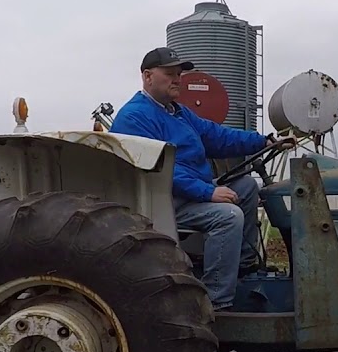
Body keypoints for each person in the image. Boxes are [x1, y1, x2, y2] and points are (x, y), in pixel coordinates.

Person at [109, 46, 294, 311]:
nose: (177, 79)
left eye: (180, 74)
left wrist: (265, 141)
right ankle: (215, 301)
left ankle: (243, 267)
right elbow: (160, 169)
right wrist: (208, 193)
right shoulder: (135, 117)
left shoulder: (177, 112)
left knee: (247, 186)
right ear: (147, 76)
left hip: (187, 194)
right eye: (170, 73)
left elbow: (217, 136)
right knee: (228, 216)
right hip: (162, 202)